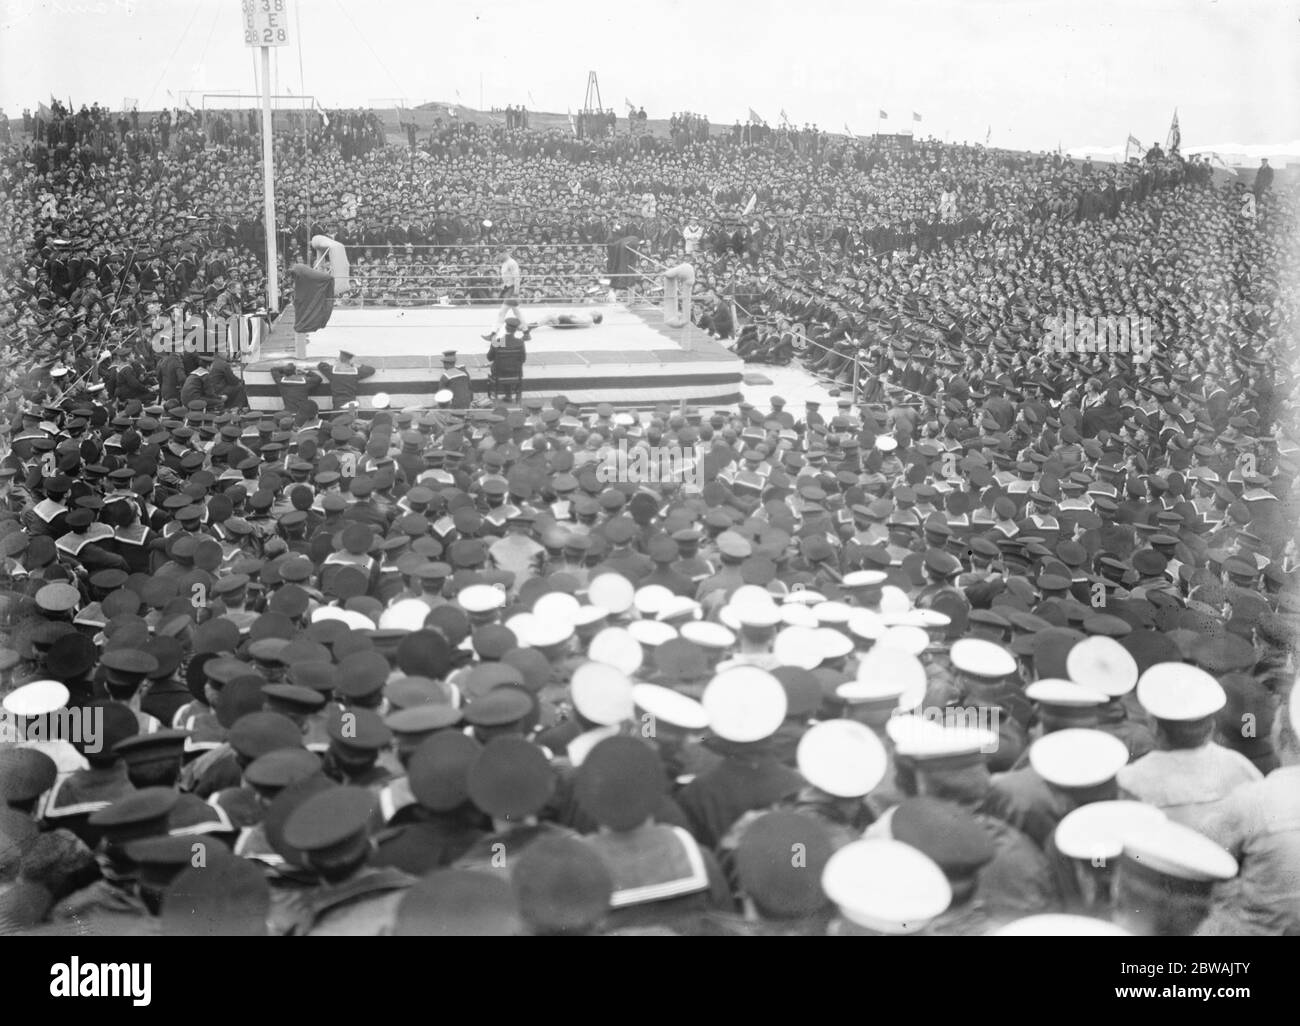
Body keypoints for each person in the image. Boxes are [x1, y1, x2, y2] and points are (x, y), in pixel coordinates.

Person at [484, 247, 523, 342]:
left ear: (504, 253)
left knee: (502, 313)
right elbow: (508, 279)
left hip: (512, 291)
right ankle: (526, 332)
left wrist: (516, 292)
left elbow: (516, 278)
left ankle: (493, 334)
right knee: (517, 312)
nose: (497, 256)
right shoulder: (505, 263)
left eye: (499, 254)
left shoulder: (512, 263)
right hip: (508, 289)